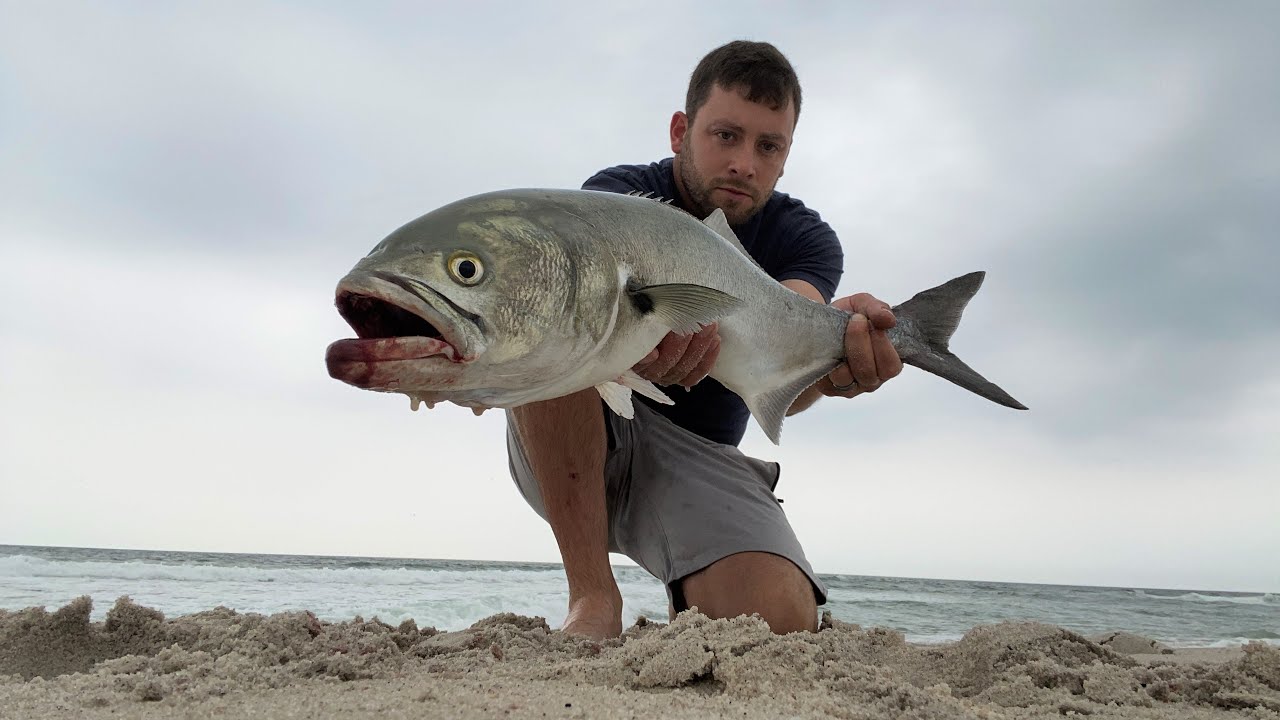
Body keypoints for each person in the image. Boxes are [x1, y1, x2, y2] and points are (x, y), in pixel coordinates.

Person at [505, 40, 902, 640]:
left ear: (786, 156)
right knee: (561, 330)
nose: (745, 162)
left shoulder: (806, 240)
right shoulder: (616, 197)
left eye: (769, 146)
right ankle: (592, 597)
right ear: (679, 131)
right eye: (726, 136)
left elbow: (779, 360)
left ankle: (692, 595)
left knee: (777, 622)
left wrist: (832, 369)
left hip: (697, 459)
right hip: (584, 436)